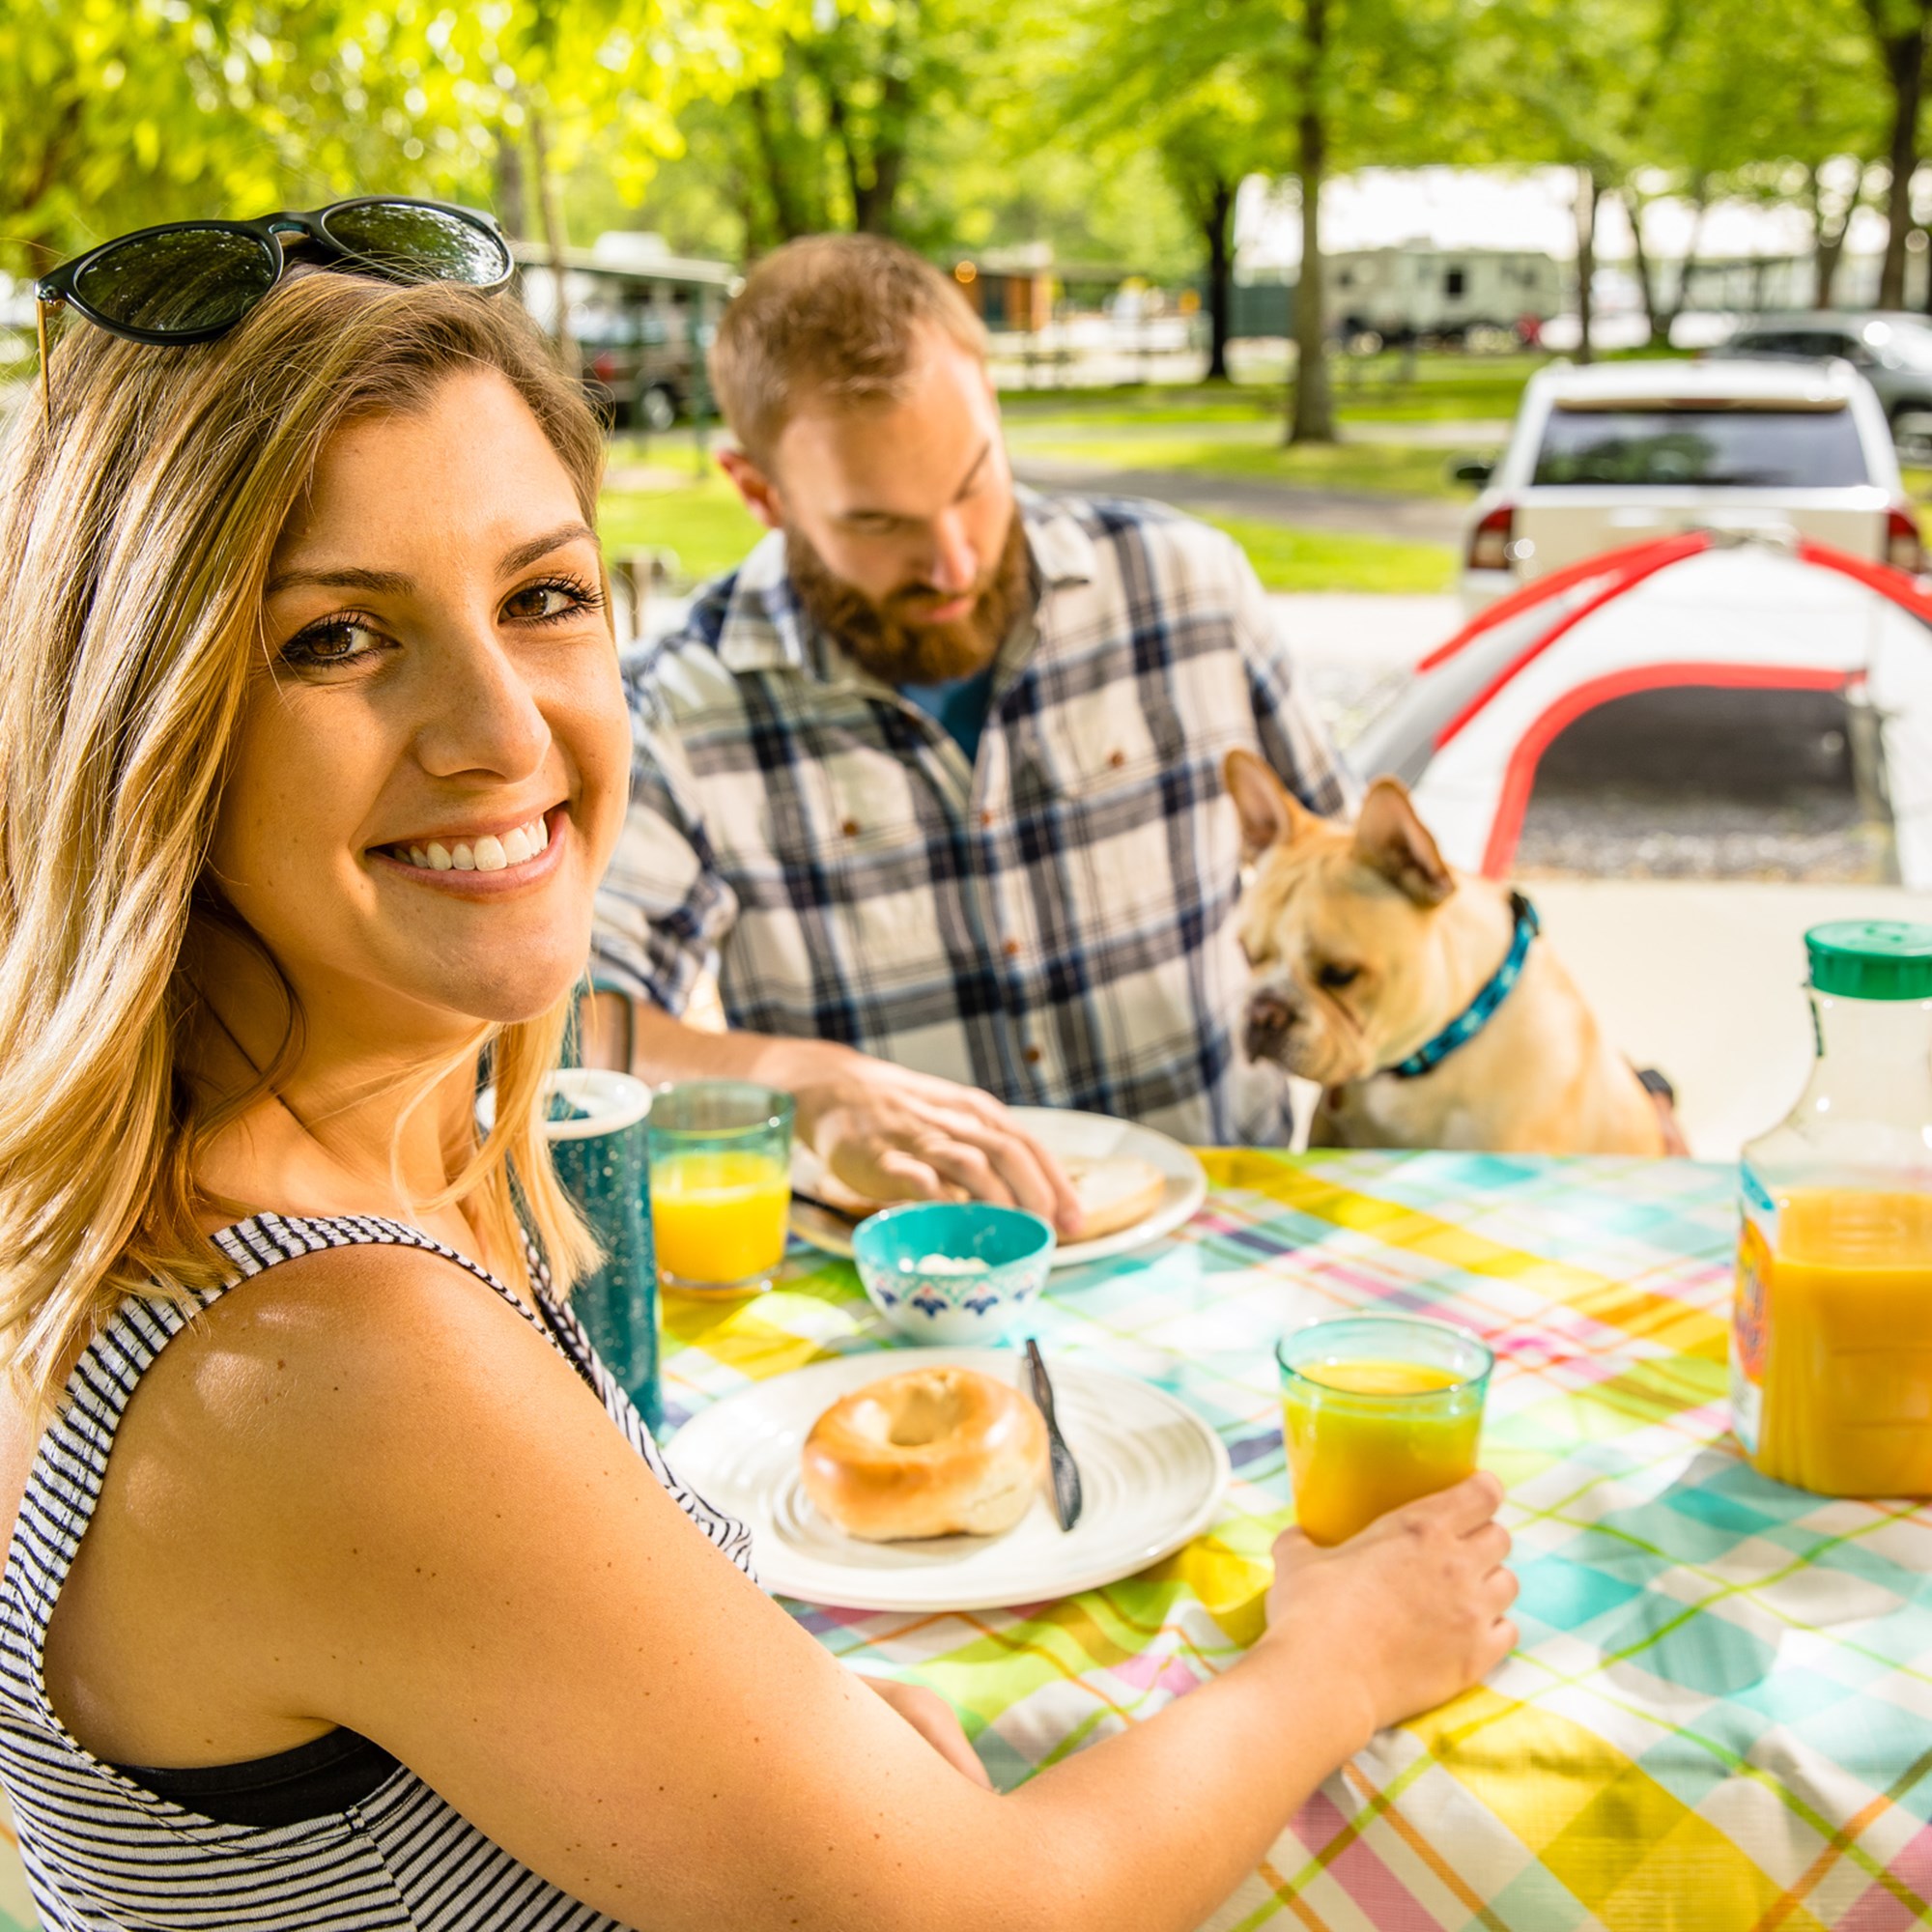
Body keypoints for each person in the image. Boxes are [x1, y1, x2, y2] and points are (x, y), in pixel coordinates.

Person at [0, 212, 1514, 1931]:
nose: (503, 731)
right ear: (138, 721)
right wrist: (1338, 1659)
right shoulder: (338, 1354)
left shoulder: (271, 1201)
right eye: (334, 636)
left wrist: (813, 1760)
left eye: (545, 595)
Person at [593, 235, 1352, 1228]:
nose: (950, 560)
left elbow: (1350, 877)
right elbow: (568, 1028)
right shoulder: (675, 705)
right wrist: (798, 1084)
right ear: (759, 493)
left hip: (1221, 1239)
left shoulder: (1189, 588)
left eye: (971, 482)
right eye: (877, 523)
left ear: (991, 403)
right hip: (913, 1284)